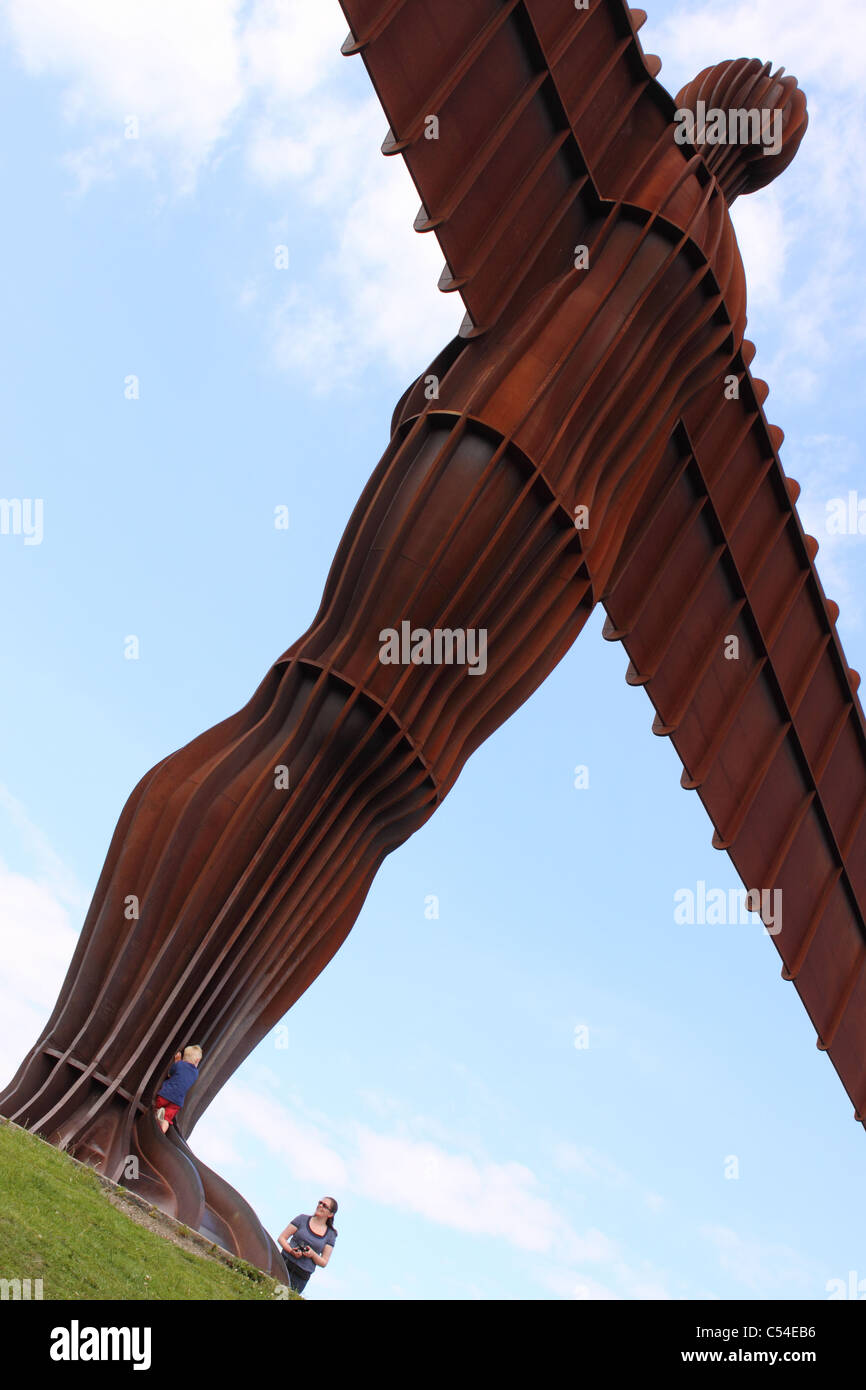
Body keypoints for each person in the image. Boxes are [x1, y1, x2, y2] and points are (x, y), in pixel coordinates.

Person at [278, 1199, 338, 1295]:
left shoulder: (331, 1235)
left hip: (301, 1276)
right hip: (283, 1263)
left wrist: (312, 1254)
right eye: (320, 1203)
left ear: (330, 1214)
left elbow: (324, 1262)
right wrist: (291, 1251)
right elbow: (282, 1238)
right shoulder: (302, 1219)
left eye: (324, 1205)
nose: (320, 1206)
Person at [154, 1045, 202, 1133]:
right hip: (177, 1103)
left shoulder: (179, 1064)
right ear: (197, 1060)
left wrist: (176, 1062)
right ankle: (161, 1130)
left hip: (165, 1095)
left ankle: (158, 1111)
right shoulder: (196, 1074)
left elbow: (170, 1074)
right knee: (166, 1120)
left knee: (155, 1108)